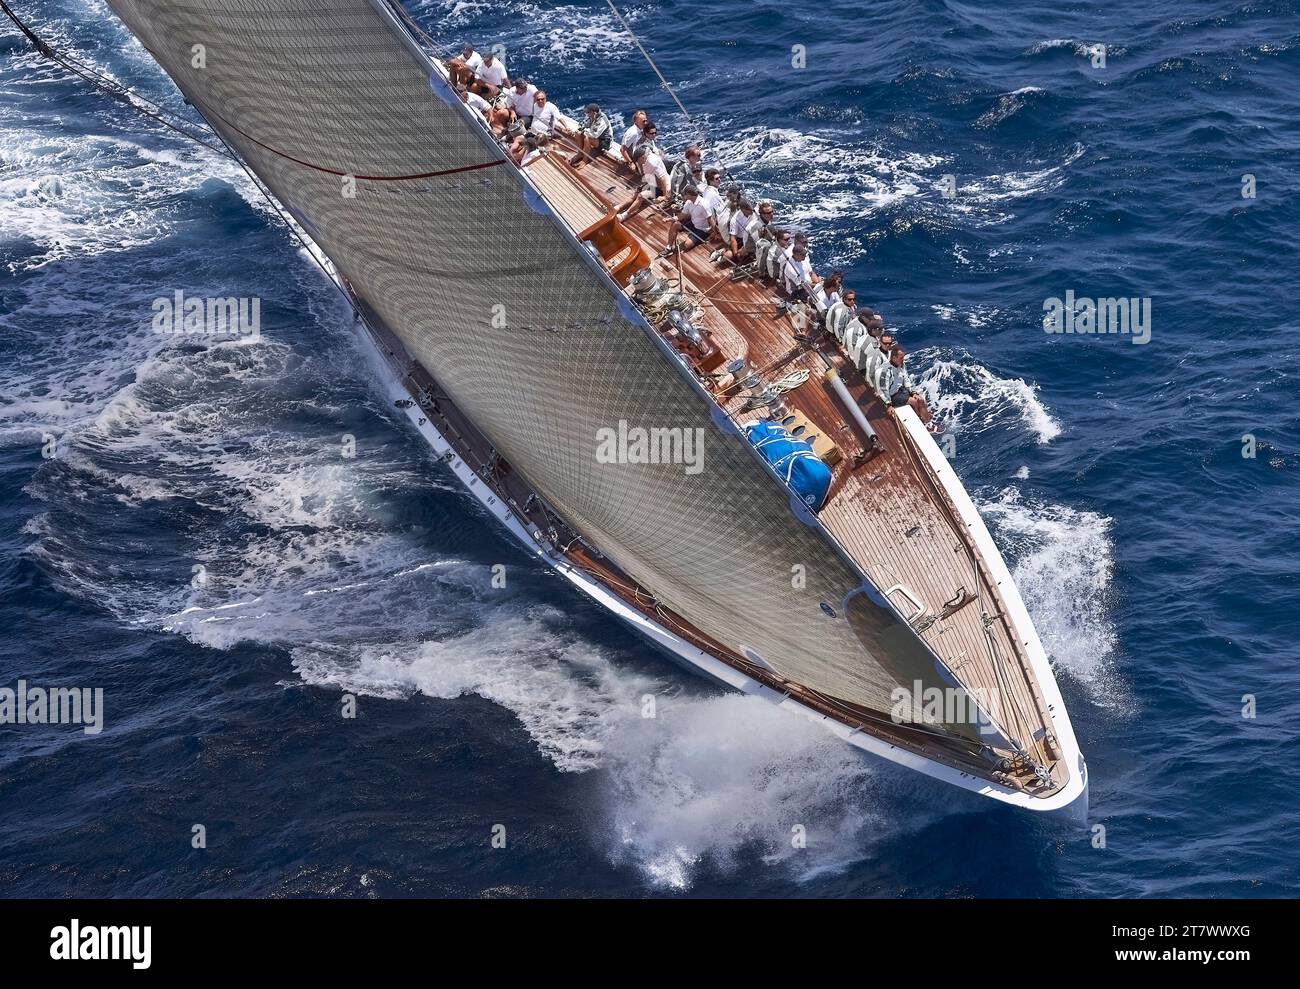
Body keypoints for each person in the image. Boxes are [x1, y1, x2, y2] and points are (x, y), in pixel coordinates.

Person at [878, 347, 937, 427]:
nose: (903, 360)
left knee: (920, 399)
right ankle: (924, 423)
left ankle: (926, 419)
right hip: (893, 395)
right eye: (901, 358)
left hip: (901, 390)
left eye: (903, 357)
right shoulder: (887, 370)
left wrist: (913, 392)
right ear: (894, 357)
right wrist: (889, 405)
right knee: (915, 402)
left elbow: (906, 379)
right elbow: (883, 389)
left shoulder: (901, 365)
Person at [660, 187, 714, 256]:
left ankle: (701, 237)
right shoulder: (689, 202)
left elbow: (711, 219)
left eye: (684, 194)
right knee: (675, 224)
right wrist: (669, 219)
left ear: (689, 194)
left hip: (703, 229)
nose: (683, 196)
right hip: (694, 223)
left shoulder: (703, 204)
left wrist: (713, 232)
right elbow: (682, 216)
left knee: (687, 245)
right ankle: (668, 247)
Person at [569, 103, 613, 167]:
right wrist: (579, 129)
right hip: (596, 138)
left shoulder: (602, 120)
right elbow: (584, 124)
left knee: (587, 138)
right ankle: (580, 154)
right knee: (578, 133)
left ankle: (585, 160)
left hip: (605, 142)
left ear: (594, 113)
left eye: (588, 112)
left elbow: (594, 135)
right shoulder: (592, 116)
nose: (587, 114)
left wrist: (583, 132)